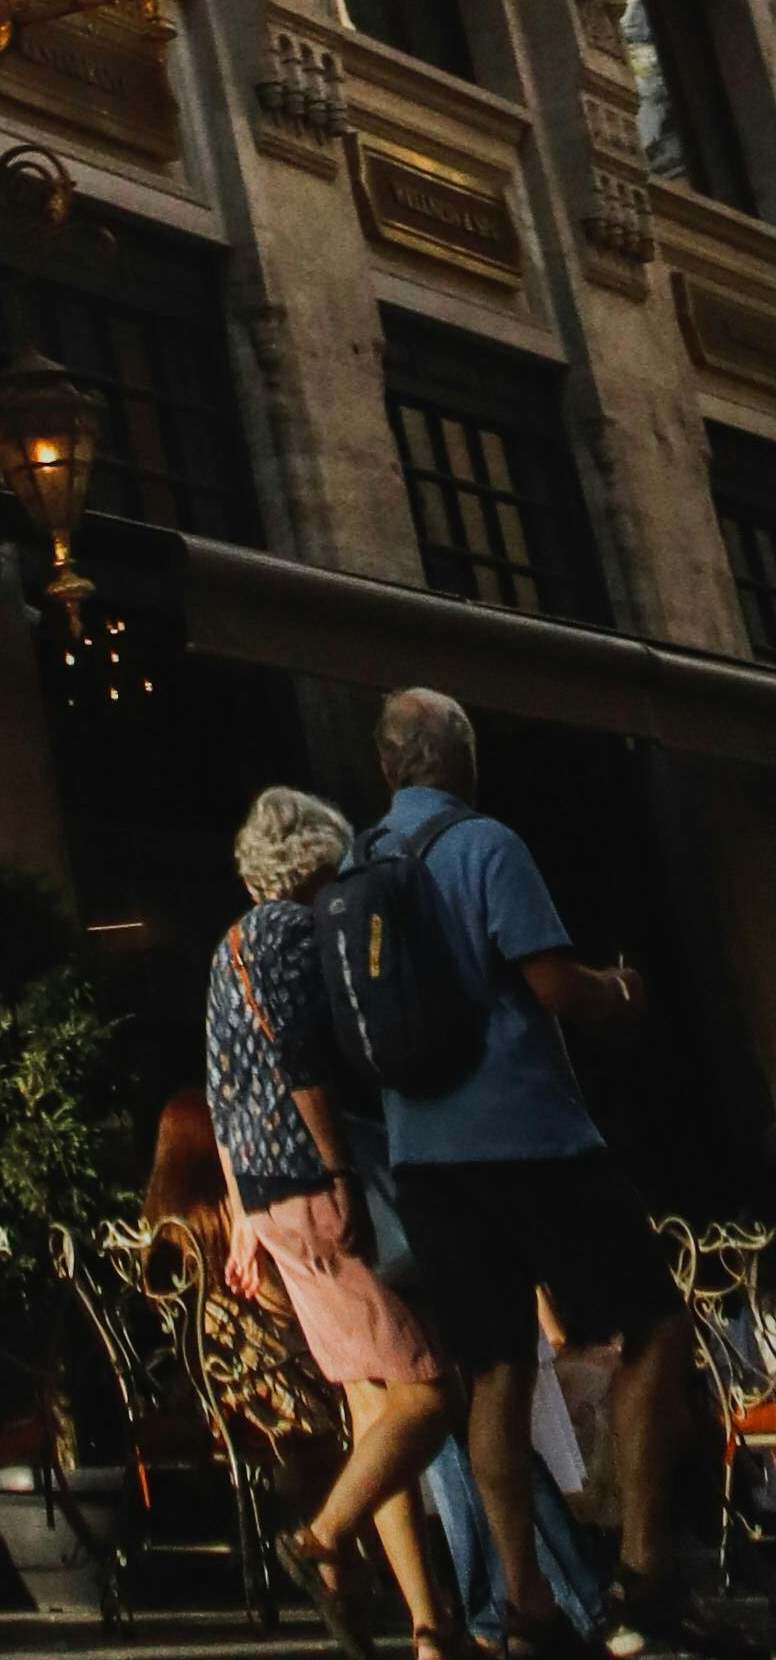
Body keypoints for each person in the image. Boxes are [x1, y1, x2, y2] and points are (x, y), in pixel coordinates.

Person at [353, 690, 695, 1657]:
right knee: (656, 1322)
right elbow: (554, 986)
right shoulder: (485, 845)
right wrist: (622, 990)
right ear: (462, 759)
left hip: (424, 1157)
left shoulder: (360, 861)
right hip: (531, 1142)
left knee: (493, 1374)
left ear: (387, 771)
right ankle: (641, 1571)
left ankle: (525, 1601)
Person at [204, 784, 459, 1657]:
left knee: (371, 1397)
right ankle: (320, 1542)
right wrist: (342, 1166)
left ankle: (427, 1628)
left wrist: (242, 1214)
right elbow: (303, 1060)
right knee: (430, 1391)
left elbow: (221, 1091)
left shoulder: (228, 947)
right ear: (315, 857)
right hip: (314, 1182)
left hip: (270, 1199)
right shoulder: (297, 931)